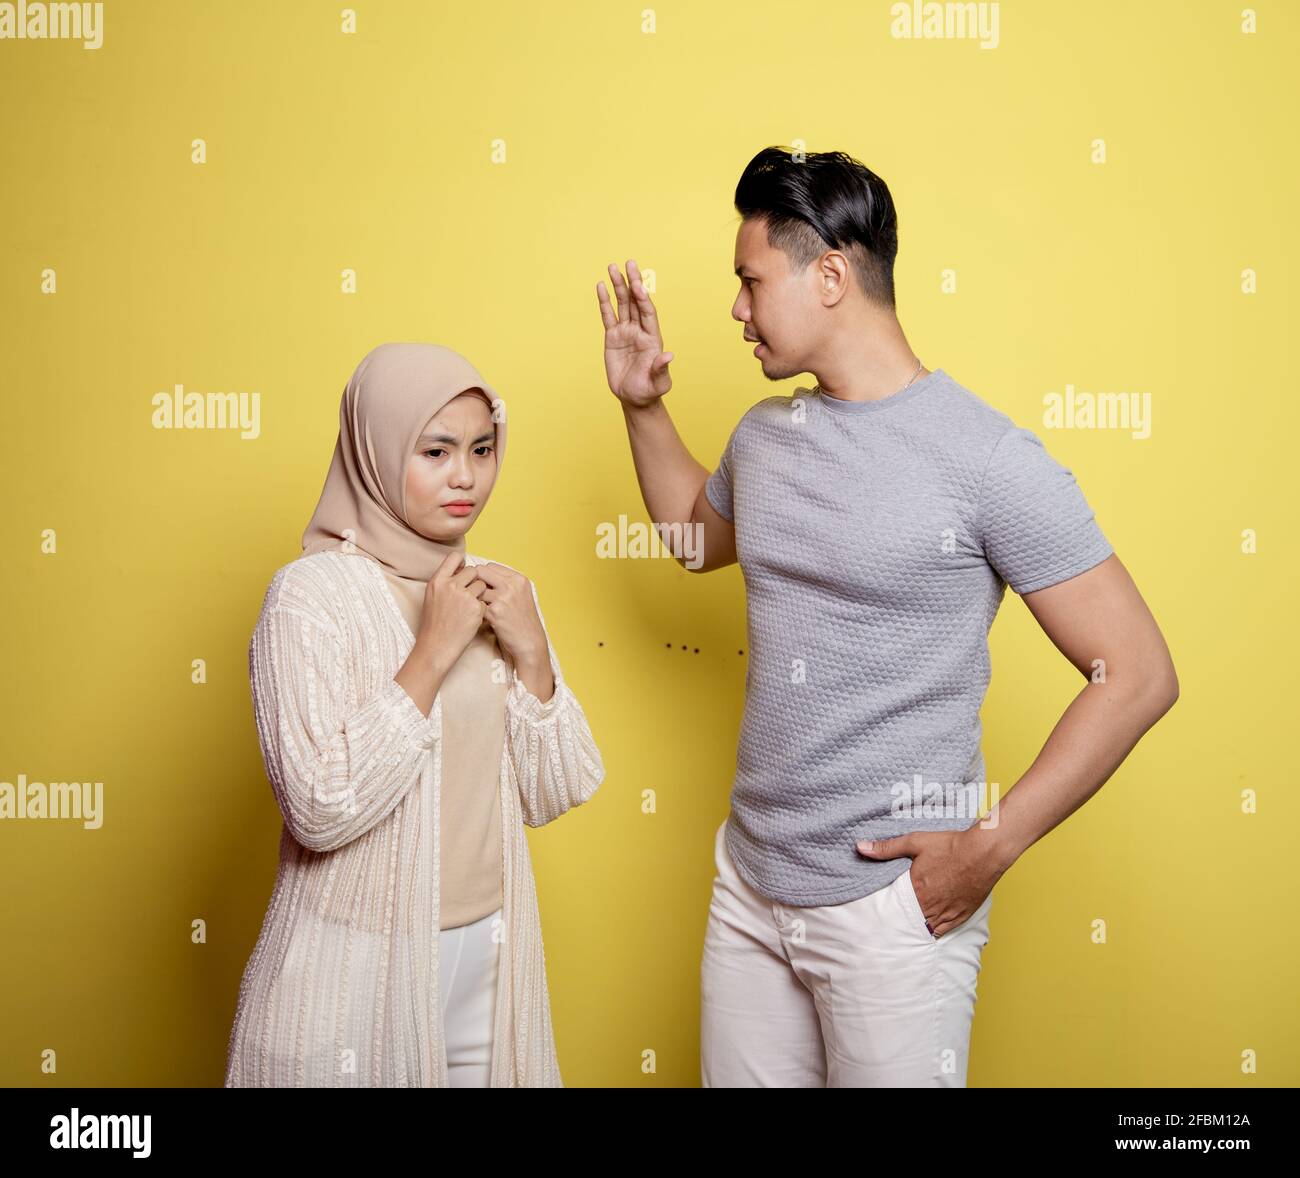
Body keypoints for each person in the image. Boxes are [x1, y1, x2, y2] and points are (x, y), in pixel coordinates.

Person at [597, 146, 1178, 1087]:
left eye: (749, 282)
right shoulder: (765, 436)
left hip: (890, 912)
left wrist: (987, 849)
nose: (736, 312)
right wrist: (643, 407)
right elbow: (694, 541)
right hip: (748, 889)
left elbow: (1139, 673)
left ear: (829, 274)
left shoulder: (987, 459)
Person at [224, 341, 605, 1087]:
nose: (465, 476)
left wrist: (533, 655)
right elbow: (318, 804)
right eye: (435, 451)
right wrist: (430, 655)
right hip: (352, 959)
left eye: (482, 449)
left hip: (491, 956)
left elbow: (559, 791)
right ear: (376, 451)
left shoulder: (497, 593)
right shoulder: (309, 597)